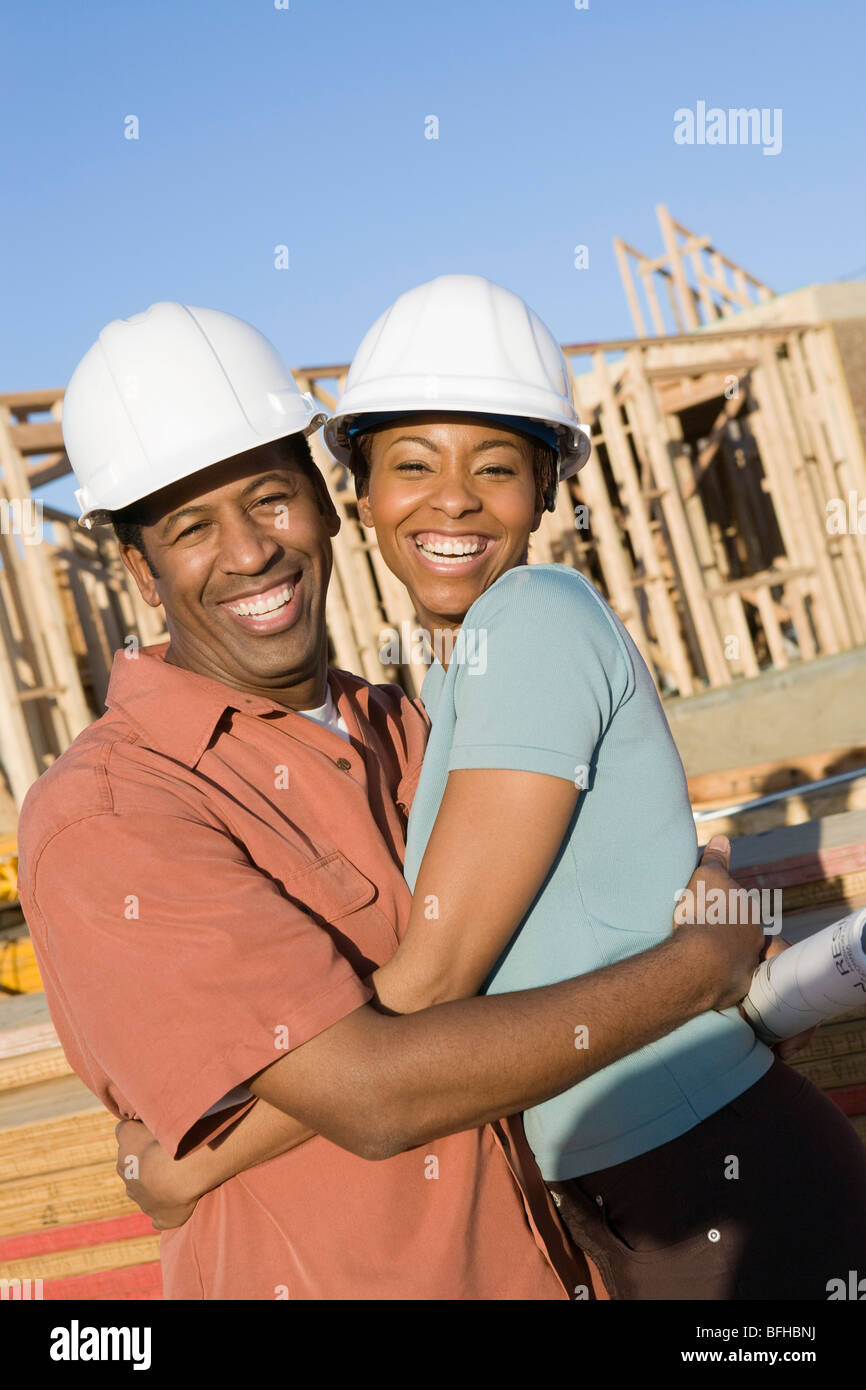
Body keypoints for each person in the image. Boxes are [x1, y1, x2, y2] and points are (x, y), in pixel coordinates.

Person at [125, 278, 866, 1302]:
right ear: (365, 496)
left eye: (496, 466)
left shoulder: (530, 618)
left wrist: (196, 1154)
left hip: (712, 1173)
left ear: (547, 487)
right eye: (413, 464)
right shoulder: (450, 682)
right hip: (640, 1184)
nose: (453, 498)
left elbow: (433, 977)